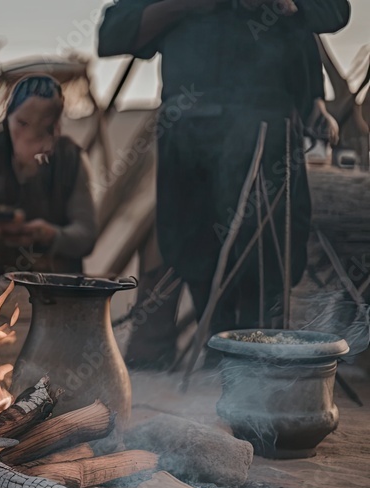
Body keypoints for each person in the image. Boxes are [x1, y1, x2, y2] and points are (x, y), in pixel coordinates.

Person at [98, 0, 350, 338]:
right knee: (195, 251)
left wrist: (313, 99)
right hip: (188, 133)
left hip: (266, 132)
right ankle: (216, 348)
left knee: (269, 260)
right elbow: (113, 33)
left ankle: (257, 359)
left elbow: (333, 13)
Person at [0, 75, 98, 284]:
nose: (30, 134)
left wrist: (51, 235)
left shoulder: (72, 159)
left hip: (55, 283)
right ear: (8, 119)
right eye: (22, 123)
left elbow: (86, 235)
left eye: (44, 126)